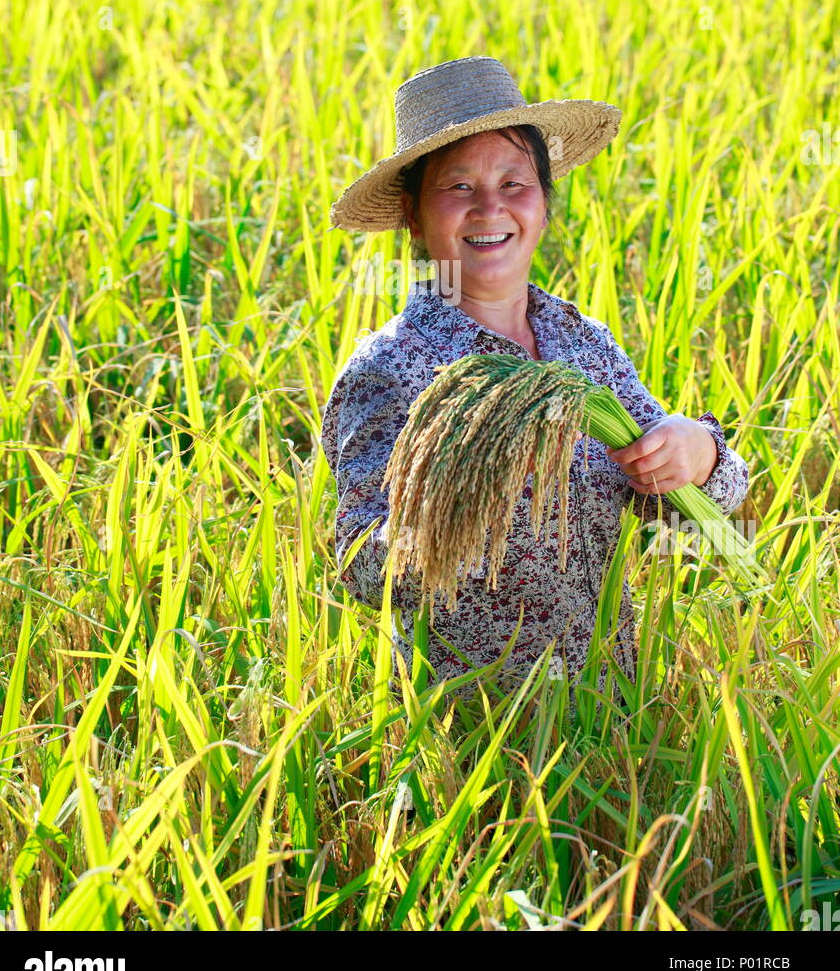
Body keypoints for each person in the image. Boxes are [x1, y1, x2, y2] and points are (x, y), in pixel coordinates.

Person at [321, 56, 749, 702]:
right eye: (458, 187)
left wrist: (698, 452)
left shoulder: (584, 347)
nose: (490, 206)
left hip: (608, 705)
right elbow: (361, 569)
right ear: (413, 214)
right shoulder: (391, 370)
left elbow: (694, 516)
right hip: (470, 721)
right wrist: (467, 485)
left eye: (515, 182)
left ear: (544, 203)